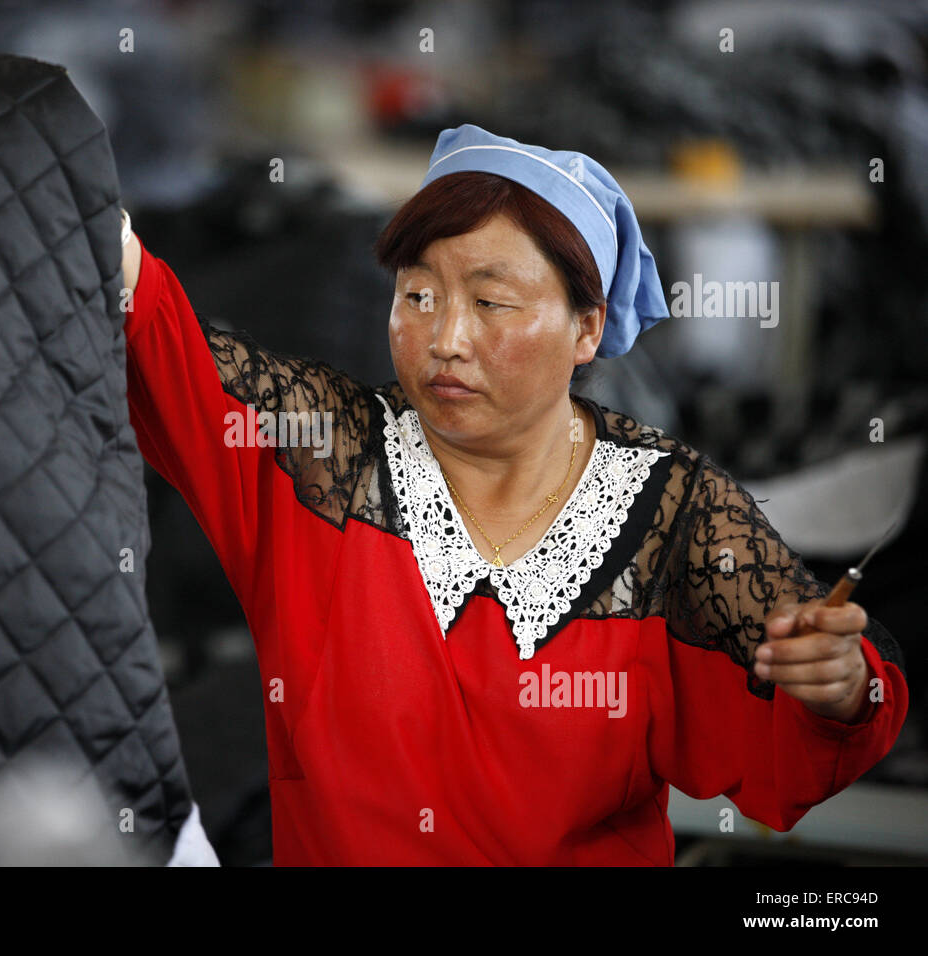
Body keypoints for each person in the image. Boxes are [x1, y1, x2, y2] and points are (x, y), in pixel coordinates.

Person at [117, 124, 909, 865]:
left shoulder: (669, 513)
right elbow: (155, 329)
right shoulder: (324, 457)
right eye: (418, 296)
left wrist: (840, 687)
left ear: (588, 328)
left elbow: (803, 731)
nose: (445, 340)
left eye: (491, 304)